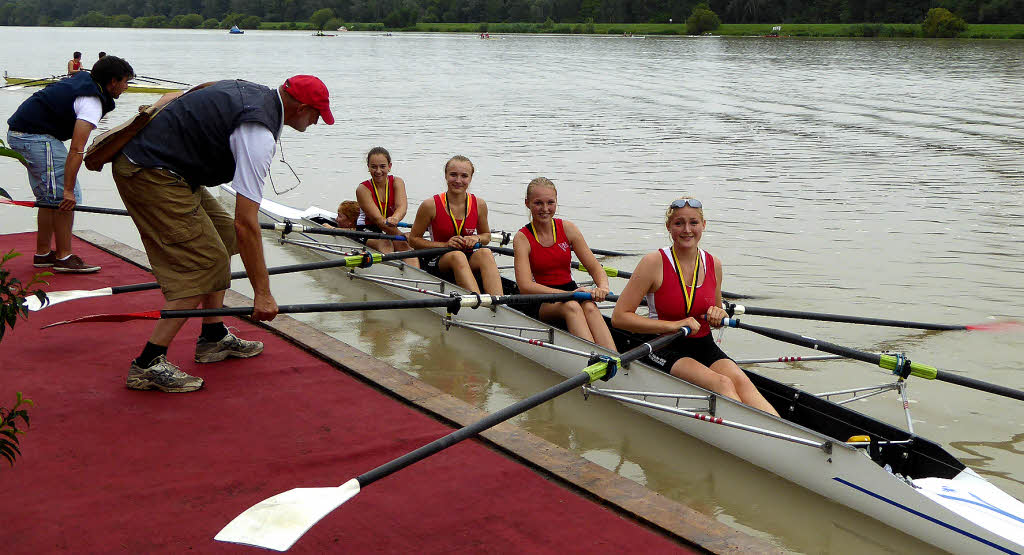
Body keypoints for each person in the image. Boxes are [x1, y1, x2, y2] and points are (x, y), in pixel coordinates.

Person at [111, 75, 335, 393]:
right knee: (205, 263)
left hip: (173, 169)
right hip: (148, 171)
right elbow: (247, 223)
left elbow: (198, 88)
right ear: (300, 107)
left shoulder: (255, 93)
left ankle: (212, 338)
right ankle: (148, 363)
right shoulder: (258, 133)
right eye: (316, 115)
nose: (316, 123)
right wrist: (263, 293)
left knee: (225, 238)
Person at [610, 197, 780, 416]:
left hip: (703, 344)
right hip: (663, 345)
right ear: (669, 227)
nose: (687, 230)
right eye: (679, 223)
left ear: (703, 225)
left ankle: (786, 436)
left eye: (693, 223)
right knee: (722, 384)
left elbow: (716, 317)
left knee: (741, 381)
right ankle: (755, 438)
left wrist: (718, 314)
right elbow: (620, 317)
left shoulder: (714, 264)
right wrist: (674, 325)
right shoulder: (654, 263)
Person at [6, 55, 135, 273]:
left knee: (47, 199)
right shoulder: (92, 101)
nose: (126, 88)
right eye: (125, 82)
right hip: (34, 136)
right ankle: (64, 257)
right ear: (112, 81)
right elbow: (77, 149)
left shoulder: (86, 81)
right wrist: (67, 189)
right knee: (64, 197)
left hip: (24, 133)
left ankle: (44, 254)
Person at [512, 177, 616, 351]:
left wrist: (603, 287)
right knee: (572, 306)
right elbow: (525, 286)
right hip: (540, 299)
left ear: (556, 203)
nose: (545, 209)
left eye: (550, 203)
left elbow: (595, 267)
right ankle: (591, 358)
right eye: (538, 203)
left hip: (569, 291)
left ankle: (614, 357)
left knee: (590, 305)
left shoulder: (568, 228)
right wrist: (567, 295)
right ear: (527, 203)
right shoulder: (522, 238)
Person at [408, 155, 501, 295]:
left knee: (485, 252)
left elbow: (486, 236)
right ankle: (478, 304)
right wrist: (445, 245)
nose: (458, 180)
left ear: (470, 178)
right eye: (453, 175)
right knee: (457, 255)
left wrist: (476, 238)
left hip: (467, 257)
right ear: (445, 176)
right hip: (438, 260)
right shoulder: (430, 205)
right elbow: (413, 240)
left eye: (464, 176)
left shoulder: (479, 204)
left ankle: (499, 302)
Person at [355, 146, 418, 267]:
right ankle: (392, 272)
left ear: (390, 166)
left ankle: (418, 277)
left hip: (390, 225)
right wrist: (400, 234)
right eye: (374, 167)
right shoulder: (362, 189)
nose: (378, 171)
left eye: (382, 166)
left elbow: (402, 208)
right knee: (386, 243)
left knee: (405, 246)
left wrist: (395, 218)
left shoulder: (397, 182)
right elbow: (378, 220)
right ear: (368, 167)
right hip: (367, 229)